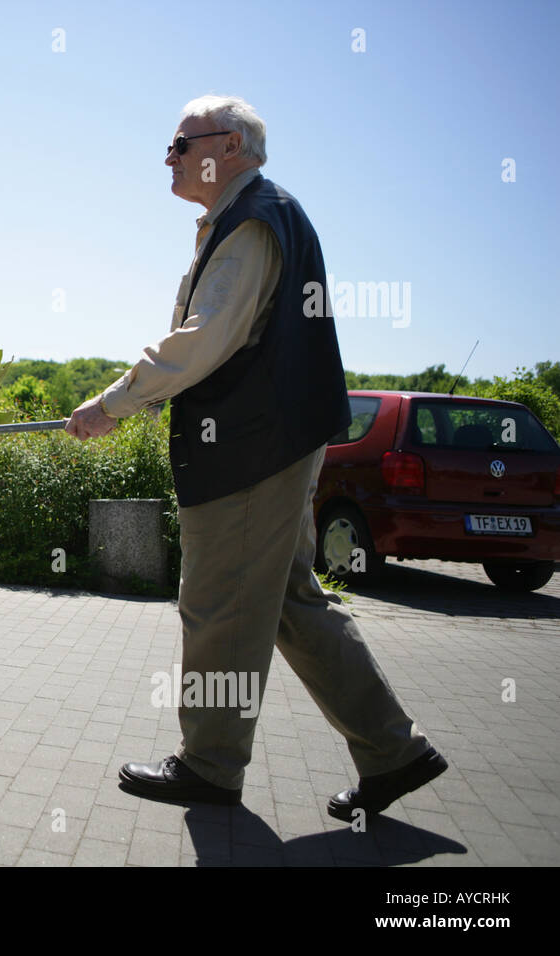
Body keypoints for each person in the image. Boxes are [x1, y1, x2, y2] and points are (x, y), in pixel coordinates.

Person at [65, 95, 446, 822]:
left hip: (250, 453)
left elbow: (202, 342)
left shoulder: (251, 222)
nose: (169, 157)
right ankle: (395, 752)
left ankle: (209, 765)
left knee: (217, 606)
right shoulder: (252, 217)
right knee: (290, 603)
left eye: (180, 143)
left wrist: (111, 403)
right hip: (274, 445)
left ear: (230, 145)